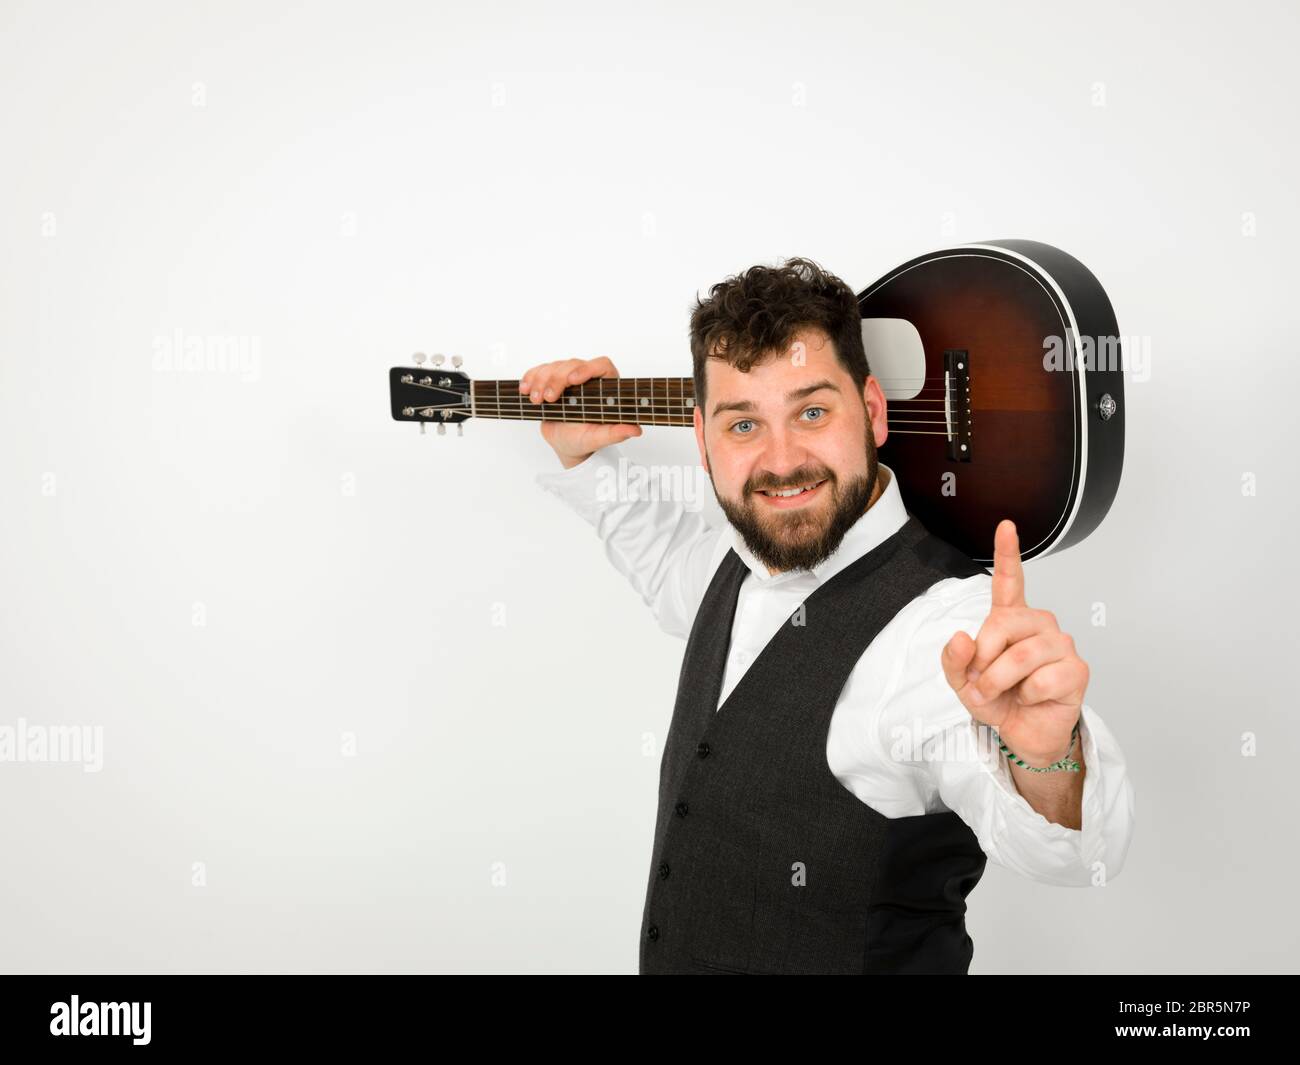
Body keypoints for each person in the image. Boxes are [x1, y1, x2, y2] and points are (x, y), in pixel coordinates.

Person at [528, 257, 1136, 974]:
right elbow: (663, 566)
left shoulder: (944, 628)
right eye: (743, 423)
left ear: (872, 411)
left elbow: (1078, 852)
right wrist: (585, 462)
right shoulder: (733, 569)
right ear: (701, 440)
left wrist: (1047, 756)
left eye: (812, 412)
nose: (782, 461)